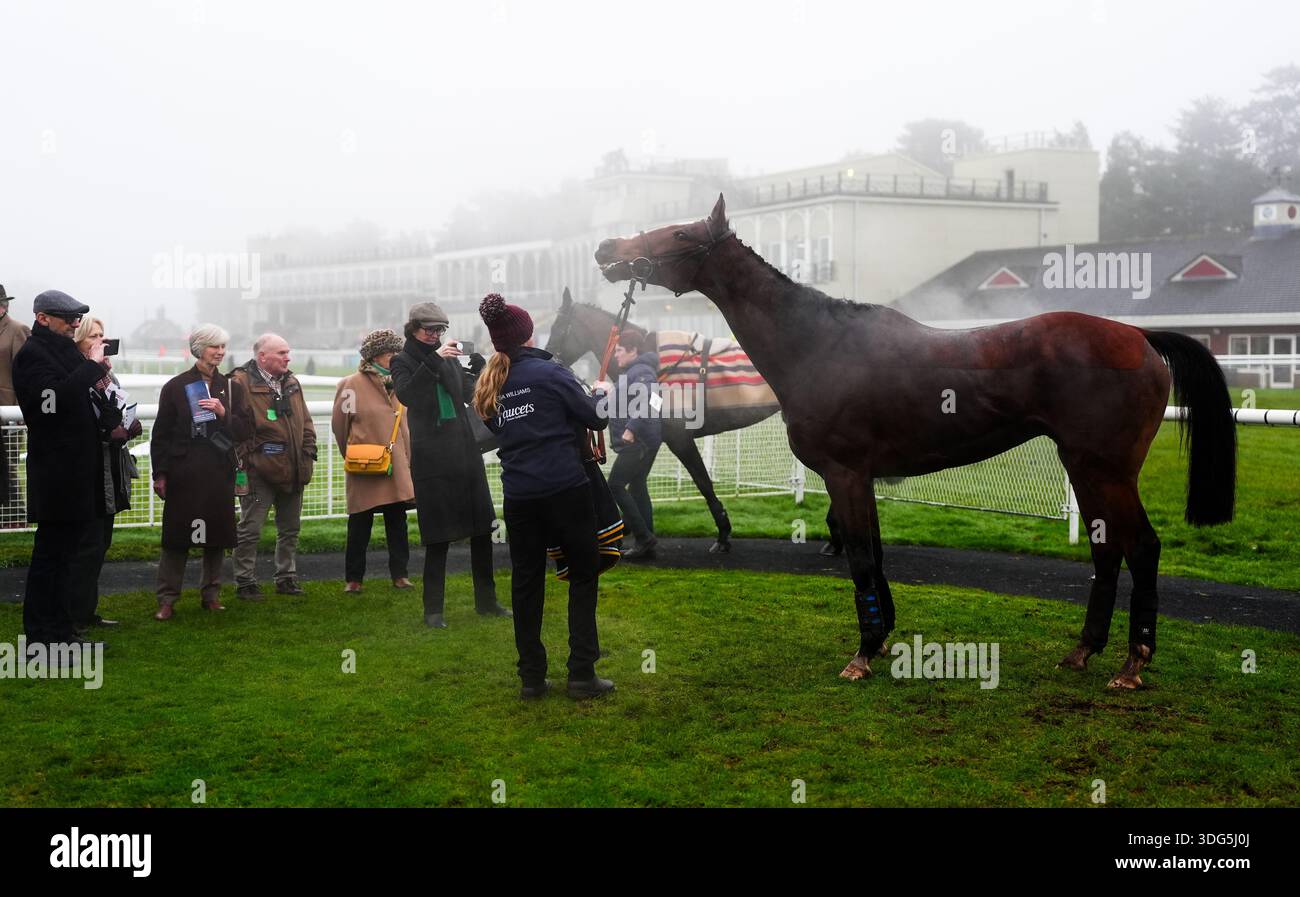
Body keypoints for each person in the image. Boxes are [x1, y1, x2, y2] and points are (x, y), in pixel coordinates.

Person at [472, 292, 613, 701]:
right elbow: (596, 417)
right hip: (566, 490)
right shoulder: (552, 373)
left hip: (520, 497)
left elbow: (502, 429)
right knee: (583, 576)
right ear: (528, 334)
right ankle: (582, 675)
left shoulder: (491, 382)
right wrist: (599, 391)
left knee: (527, 583)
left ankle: (532, 678)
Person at [390, 301, 509, 628]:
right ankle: (434, 612)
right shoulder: (403, 360)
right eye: (430, 331)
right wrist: (434, 360)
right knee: (438, 538)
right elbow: (408, 396)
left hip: (465, 453)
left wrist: (485, 371)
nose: (436, 336)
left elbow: (469, 394)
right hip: (432, 459)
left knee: (483, 531)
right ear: (414, 329)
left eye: (440, 331)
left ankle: (487, 602)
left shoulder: (450, 358)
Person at [12, 290, 111, 648]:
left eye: (76, 317)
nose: (74, 323)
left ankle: (65, 632)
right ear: (42, 318)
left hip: (78, 472)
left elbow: (81, 398)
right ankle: (42, 638)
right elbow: (50, 404)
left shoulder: (64, 351)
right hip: (56, 475)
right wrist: (90, 368)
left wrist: (102, 384)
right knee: (50, 561)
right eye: (67, 317)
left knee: (68, 560)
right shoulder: (32, 355)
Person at [150, 325, 239, 620]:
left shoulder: (230, 387)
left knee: (215, 536)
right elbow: (161, 434)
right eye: (215, 346)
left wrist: (224, 413)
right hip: (184, 473)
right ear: (200, 348)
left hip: (218, 472)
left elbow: (246, 429)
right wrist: (160, 474)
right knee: (177, 538)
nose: (221, 352)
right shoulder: (175, 387)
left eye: (223, 347)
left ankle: (211, 595)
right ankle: (167, 599)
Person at [230, 333, 316, 598]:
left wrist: (308, 451)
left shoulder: (291, 382)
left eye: (287, 353)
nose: (287, 357)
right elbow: (232, 428)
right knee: (250, 529)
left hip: (294, 468)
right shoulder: (239, 383)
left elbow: (306, 422)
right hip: (258, 472)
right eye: (281, 353)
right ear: (262, 356)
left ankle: (286, 577)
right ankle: (245, 581)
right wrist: (248, 459)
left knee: (290, 529)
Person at [332, 328, 415, 593]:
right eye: (392, 353)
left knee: (397, 522)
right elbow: (339, 427)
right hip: (364, 465)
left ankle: (400, 575)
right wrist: (355, 455)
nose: (396, 357)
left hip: (396, 465)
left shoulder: (402, 383)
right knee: (359, 523)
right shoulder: (350, 385)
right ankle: (353, 579)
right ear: (376, 356)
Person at [72, 316, 142, 630]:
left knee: (102, 543)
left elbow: (118, 409)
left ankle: (87, 611)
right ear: (80, 340)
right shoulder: (79, 372)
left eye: (103, 335)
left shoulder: (108, 375)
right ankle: (74, 613)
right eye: (94, 336)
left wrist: (128, 426)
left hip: (111, 469)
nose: (101, 341)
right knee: (85, 546)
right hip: (89, 470)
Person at [594, 330, 662, 560]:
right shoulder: (632, 372)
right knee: (638, 485)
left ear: (633, 350)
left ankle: (644, 538)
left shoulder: (641, 371)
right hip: (642, 442)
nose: (616, 356)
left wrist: (632, 429)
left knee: (615, 485)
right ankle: (647, 541)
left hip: (638, 443)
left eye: (620, 351)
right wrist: (605, 393)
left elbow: (652, 399)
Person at [0, 284, 31, 508]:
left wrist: (21, 410)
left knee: (9, 465)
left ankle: (15, 513)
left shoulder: (17, 329)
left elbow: (25, 374)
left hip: (9, 410)